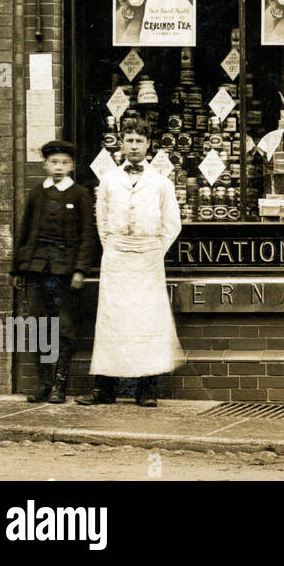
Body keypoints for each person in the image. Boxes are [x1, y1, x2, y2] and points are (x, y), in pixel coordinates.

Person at [79, 118, 184, 407]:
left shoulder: (161, 182)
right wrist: (113, 247)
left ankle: (145, 390)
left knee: (147, 320)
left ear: (149, 145)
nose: (134, 146)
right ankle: (105, 390)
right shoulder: (110, 180)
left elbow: (172, 223)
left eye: (140, 141)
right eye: (129, 141)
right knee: (113, 321)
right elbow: (101, 219)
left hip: (148, 259)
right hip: (117, 258)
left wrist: (153, 250)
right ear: (121, 144)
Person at [11, 140, 95, 403]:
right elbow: (24, 232)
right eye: (54, 162)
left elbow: (87, 236)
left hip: (65, 274)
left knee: (65, 329)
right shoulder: (37, 193)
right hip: (36, 271)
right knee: (38, 326)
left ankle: (60, 386)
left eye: (65, 163)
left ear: (72, 166)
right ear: (45, 164)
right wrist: (18, 269)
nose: (59, 167)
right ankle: (43, 384)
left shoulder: (80, 194)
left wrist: (80, 270)